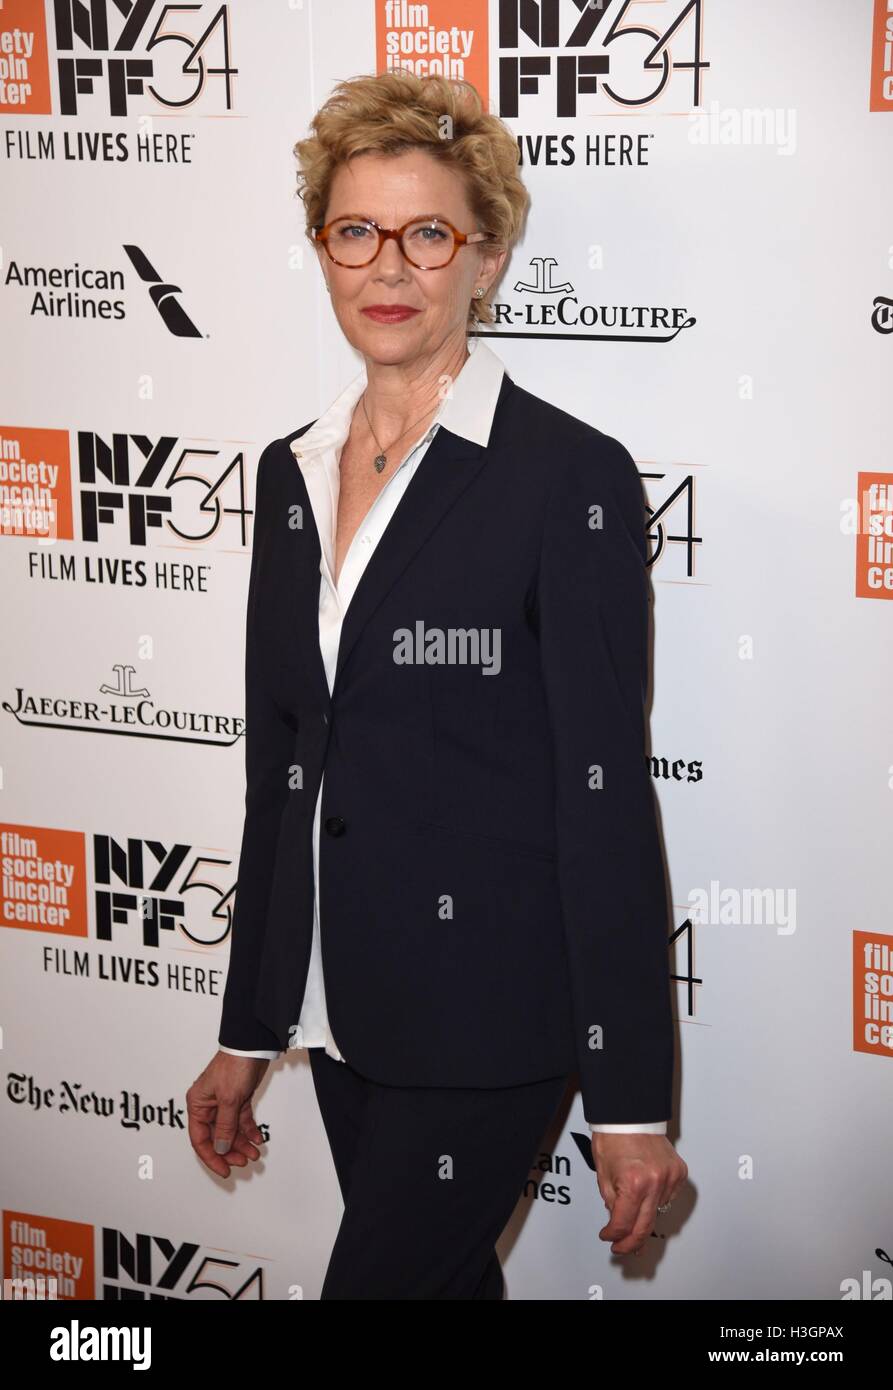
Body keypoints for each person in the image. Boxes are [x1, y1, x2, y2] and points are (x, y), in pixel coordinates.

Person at [187, 69, 687, 1299]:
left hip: (492, 1017)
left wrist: (626, 1097)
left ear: (487, 256)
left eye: (428, 234)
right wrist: (249, 1027)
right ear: (322, 249)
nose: (389, 267)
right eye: (355, 231)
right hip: (344, 1014)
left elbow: (603, 793)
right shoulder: (289, 472)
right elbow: (285, 768)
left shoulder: (563, 475)